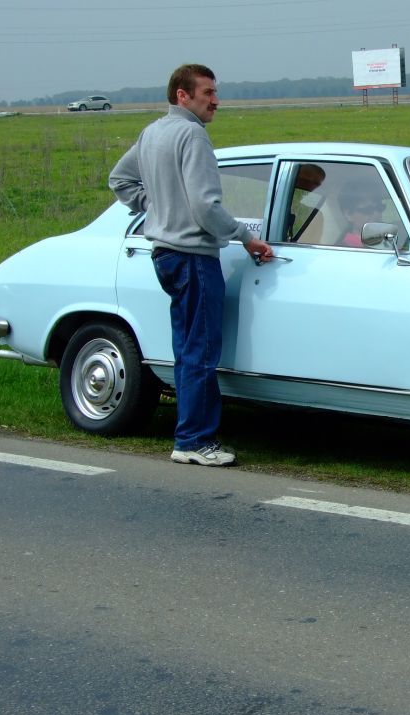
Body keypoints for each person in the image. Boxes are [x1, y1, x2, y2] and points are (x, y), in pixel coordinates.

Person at [109, 63, 273, 467]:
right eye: (207, 93)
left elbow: (120, 180)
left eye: (215, 92)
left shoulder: (153, 132)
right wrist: (246, 237)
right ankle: (195, 441)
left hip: (164, 253)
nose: (216, 100)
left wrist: (157, 209)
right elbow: (206, 206)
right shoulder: (192, 135)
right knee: (200, 349)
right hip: (194, 256)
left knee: (186, 349)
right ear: (182, 95)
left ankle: (188, 435)